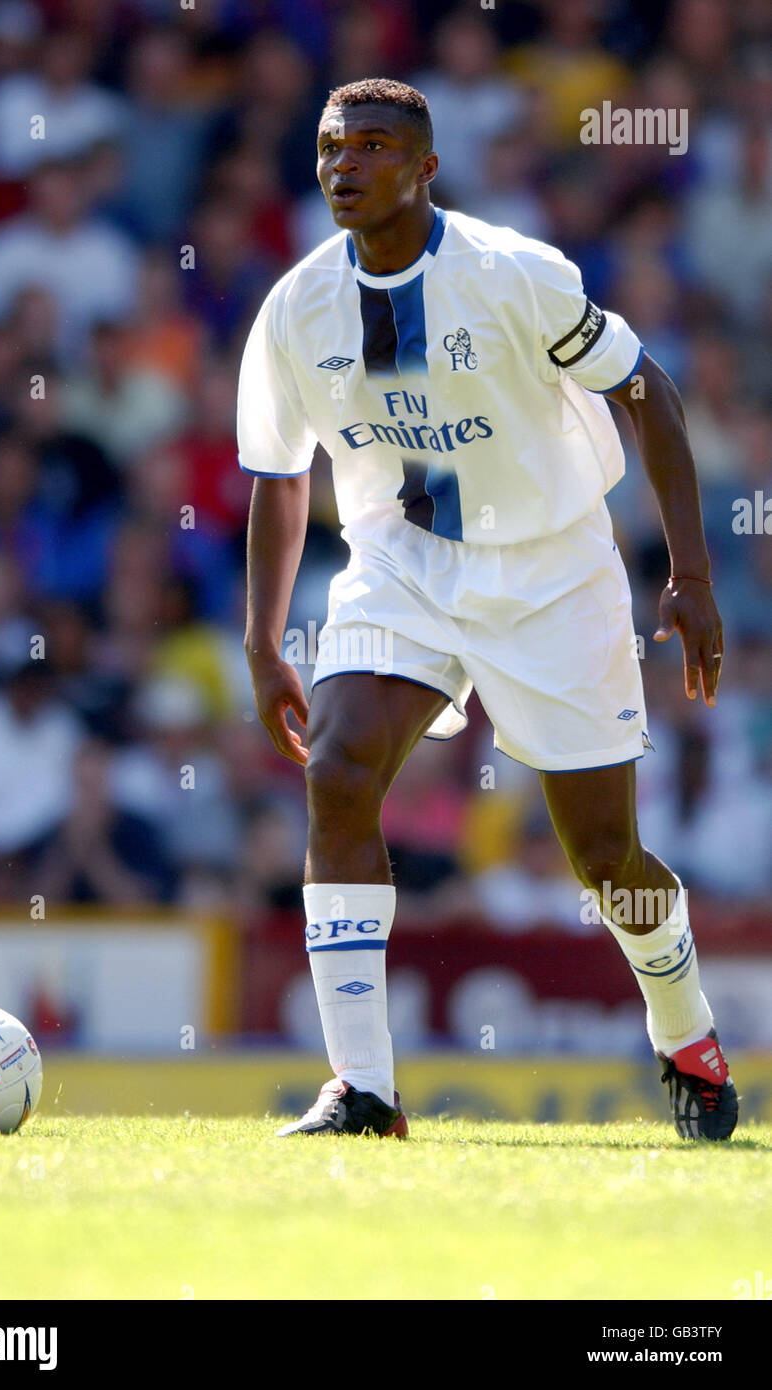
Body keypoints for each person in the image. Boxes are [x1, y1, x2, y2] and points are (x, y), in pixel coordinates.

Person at [238, 78, 737, 1142]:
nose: (345, 165)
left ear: (424, 168)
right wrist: (261, 636)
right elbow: (279, 477)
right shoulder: (294, 307)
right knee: (336, 771)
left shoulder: (512, 273)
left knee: (605, 860)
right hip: (401, 562)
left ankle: (683, 1030)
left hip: (552, 570)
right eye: (330, 146)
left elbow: (644, 390)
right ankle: (361, 1088)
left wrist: (688, 570)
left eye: (372, 146)